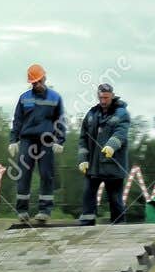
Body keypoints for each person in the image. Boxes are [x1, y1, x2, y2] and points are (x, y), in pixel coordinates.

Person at [8, 63, 66, 224]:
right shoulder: (24, 98)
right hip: (27, 141)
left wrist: (60, 140)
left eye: (39, 81)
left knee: (47, 175)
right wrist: (13, 140)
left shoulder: (55, 98)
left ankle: (44, 211)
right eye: (34, 83)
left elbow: (60, 120)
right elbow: (17, 120)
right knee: (23, 175)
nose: (37, 85)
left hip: (46, 141)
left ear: (44, 78)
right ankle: (22, 211)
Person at [78, 82, 130, 225]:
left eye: (106, 98)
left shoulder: (122, 113)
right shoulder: (91, 114)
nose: (103, 101)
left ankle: (119, 230)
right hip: (93, 166)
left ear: (112, 96)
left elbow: (121, 133)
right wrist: (83, 159)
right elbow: (83, 138)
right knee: (88, 195)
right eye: (101, 97)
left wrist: (112, 146)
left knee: (115, 200)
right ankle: (86, 226)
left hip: (113, 165)